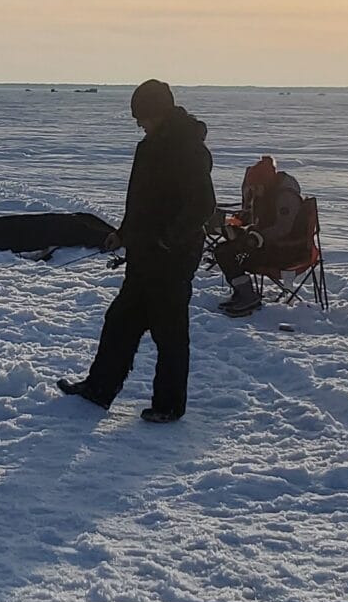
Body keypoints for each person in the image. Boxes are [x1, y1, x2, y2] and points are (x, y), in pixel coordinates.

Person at [58, 80, 215, 422]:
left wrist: (169, 240)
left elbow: (203, 205)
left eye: (142, 115)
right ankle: (99, 389)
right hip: (144, 253)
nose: (138, 123)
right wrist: (124, 234)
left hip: (173, 256)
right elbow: (140, 202)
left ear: (158, 111)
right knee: (120, 322)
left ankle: (169, 405)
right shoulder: (148, 147)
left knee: (169, 331)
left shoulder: (189, 148)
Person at [216, 155, 308, 317]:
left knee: (227, 253)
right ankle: (242, 291)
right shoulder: (266, 193)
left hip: (287, 250)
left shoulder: (285, 197)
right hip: (270, 245)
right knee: (224, 250)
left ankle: (247, 295)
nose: (254, 190)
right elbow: (256, 220)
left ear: (265, 183)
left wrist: (255, 236)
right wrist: (238, 227)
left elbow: (284, 228)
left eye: (256, 186)